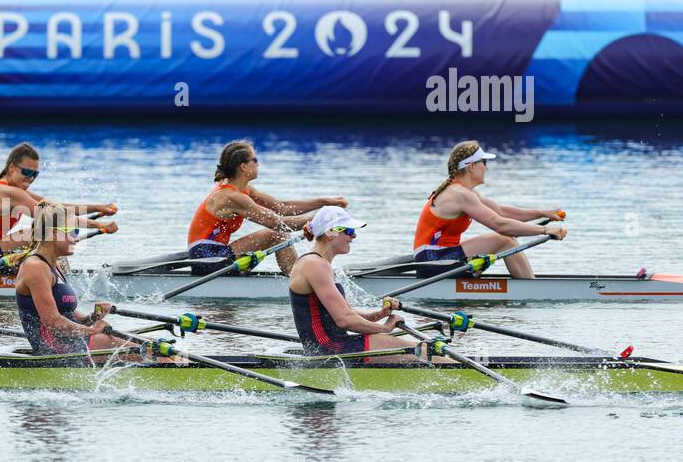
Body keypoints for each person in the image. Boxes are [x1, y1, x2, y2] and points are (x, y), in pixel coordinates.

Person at [187, 140, 347, 273]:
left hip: (215, 253)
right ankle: (299, 280)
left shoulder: (242, 189)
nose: (258, 164)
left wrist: (325, 202)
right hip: (207, 257)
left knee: (278, 233)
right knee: (277, 234)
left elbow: (281, 207)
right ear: (243, 167)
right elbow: (280, 223)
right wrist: (325, 216)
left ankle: (301, 276)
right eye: (255, 160)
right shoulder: (231, 197)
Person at [412, 141, 566, 278]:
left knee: (508, 239)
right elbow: (501, 225)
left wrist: (543, 213)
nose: (486, 167)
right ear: (472, 166)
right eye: (484, 162)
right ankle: (532, 290)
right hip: (432, 261)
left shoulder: (465, 192)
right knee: (505, 239)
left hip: (442, 258)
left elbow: (501, 212)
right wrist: (546, 230)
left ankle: (528, 285)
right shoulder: (459, 194)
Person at [288, 206, 421, 359]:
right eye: (349, 231)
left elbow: (347, 313)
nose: (354, 236)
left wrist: (377, 315)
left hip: (332, 347)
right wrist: (385, 328)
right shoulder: (315, 265)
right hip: (330, 350)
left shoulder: (316, 262)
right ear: (330, 232)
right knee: (421, 351)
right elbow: (344, 320)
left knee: (421, 350)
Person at [0, 143, 117, 259]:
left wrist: (98, 207)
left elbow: (56, 207)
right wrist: (98, 225)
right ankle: (48, 277)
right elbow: (53, 217)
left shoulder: (16, 191)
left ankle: (52, 275)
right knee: (44, 231)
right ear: (11, 167)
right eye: (26, 172)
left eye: (35, 174)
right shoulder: (6, 191)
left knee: (50, 236)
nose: (30, 178)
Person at [13, 203, 131, 355]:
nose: (76, 239)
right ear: (55, 234)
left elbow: (71, 317)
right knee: (151, 353)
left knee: (151, 344)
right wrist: (92, 331)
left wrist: (93, 316)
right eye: (74, 232)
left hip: (72, 342)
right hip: (55, 349)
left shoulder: (56, 266)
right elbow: (54, 323)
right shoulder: (35, 267)